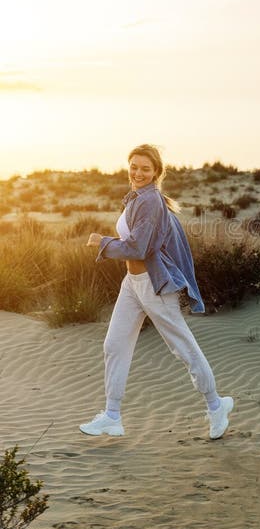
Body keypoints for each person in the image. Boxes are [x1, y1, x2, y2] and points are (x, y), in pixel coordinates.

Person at [80, 144, 233, 439]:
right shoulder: (136, 198)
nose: (137, 173)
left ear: (156, 173)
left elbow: (139, 247)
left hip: (154, 285)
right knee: (115, 345)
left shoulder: (150, 201)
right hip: (132, 284)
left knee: (183, 346)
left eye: (145, 169)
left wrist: (103, 242)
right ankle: (112, 416)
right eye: (134, 166)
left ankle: (216, 406)